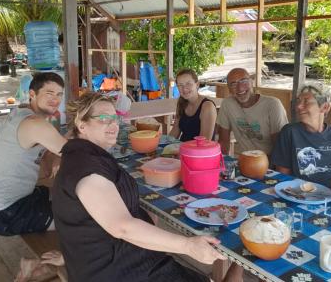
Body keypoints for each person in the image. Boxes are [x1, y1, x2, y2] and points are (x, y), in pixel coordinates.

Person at [51, 92, 243, 282]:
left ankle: (238, 264)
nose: (113, 125)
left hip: (112, 259)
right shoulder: (87, 170)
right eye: (103, 118)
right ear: (82, 125)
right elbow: (122, 227)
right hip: (117, 269)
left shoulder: (83, 156)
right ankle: (240, 263)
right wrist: (187, 246)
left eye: (115, 118)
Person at [0, 72, 67, 236]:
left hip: (7, 200)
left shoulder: (20, 113)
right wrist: (62, 155)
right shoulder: (34, 124)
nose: (56, 99)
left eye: (59, 94)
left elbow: (57, 149)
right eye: (49, 93)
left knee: (62, 193)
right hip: (4, 212)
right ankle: (40, 262)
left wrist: (57, 157)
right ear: (32, 94)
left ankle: (31, 263)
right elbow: (77, 153)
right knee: (80, 218)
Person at [271, 82, 331, 188]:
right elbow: (283, 176)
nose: (298, 106)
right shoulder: (290, 133)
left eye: (306, 102)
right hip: (302, 194)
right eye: (298, 101)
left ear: (325, 107)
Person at [217, 68, 288, 156]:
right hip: (242, 160)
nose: (240, 88)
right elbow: (223, 142)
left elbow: (280, 147)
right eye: (233, 84)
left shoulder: (273, 105)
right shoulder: (227, 104)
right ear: (229, 89)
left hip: (269, 163)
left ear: (252, 82)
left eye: (244, 81)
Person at [169, 68, 217, 141]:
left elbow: (204, 142)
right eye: (180, 85)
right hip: (182, 148)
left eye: (188, 84)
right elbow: (175, 130)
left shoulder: (207, 106)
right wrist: (165, 145)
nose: (184, 88)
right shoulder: (181, 102)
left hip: (199, 150)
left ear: (197, 85)